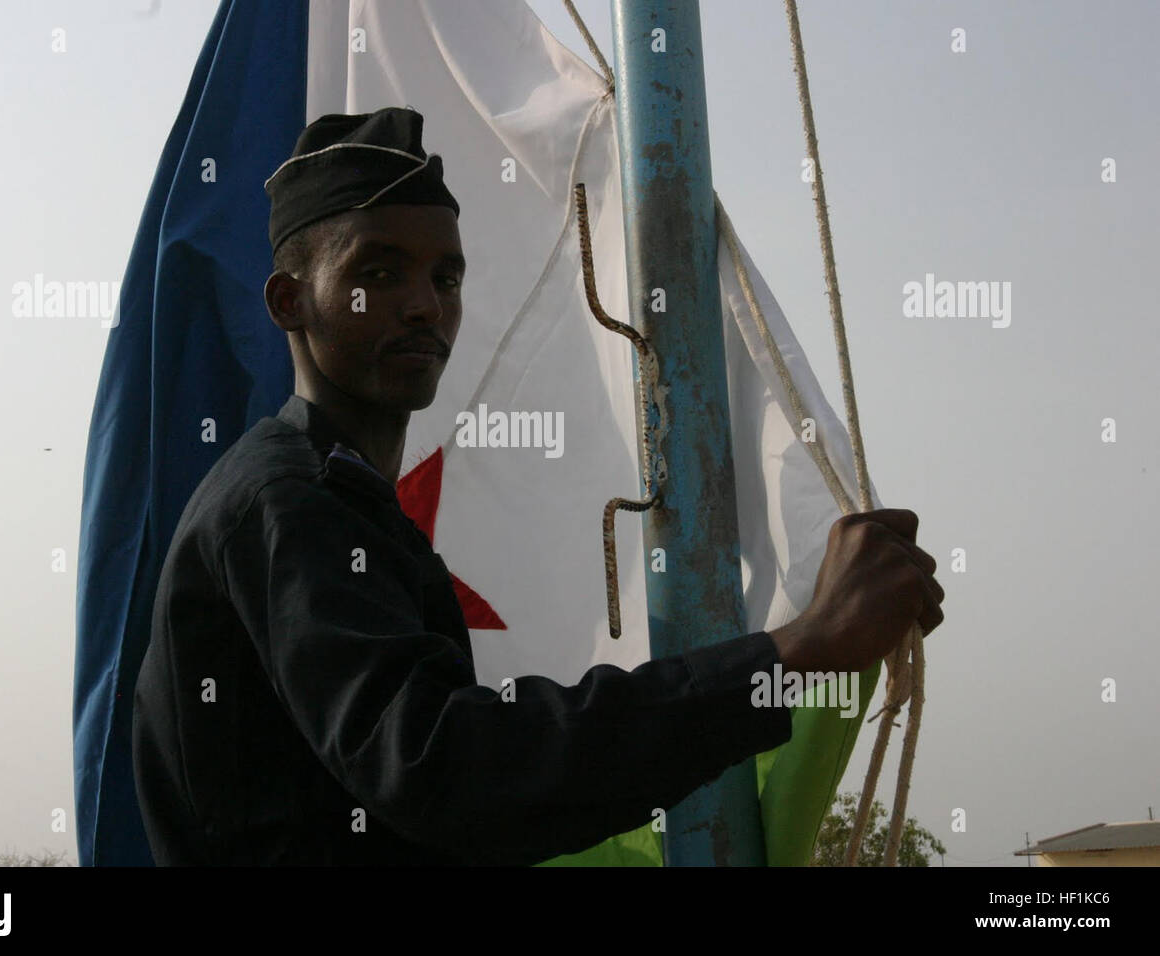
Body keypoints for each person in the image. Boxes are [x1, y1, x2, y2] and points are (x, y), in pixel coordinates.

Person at [131, 106, 945, 866]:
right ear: (289, 301)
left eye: (446, 279)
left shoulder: (344, 504)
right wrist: (800, 650)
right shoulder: (286, 501)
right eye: (378, 273)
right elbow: (443, 766)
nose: (423, 306)